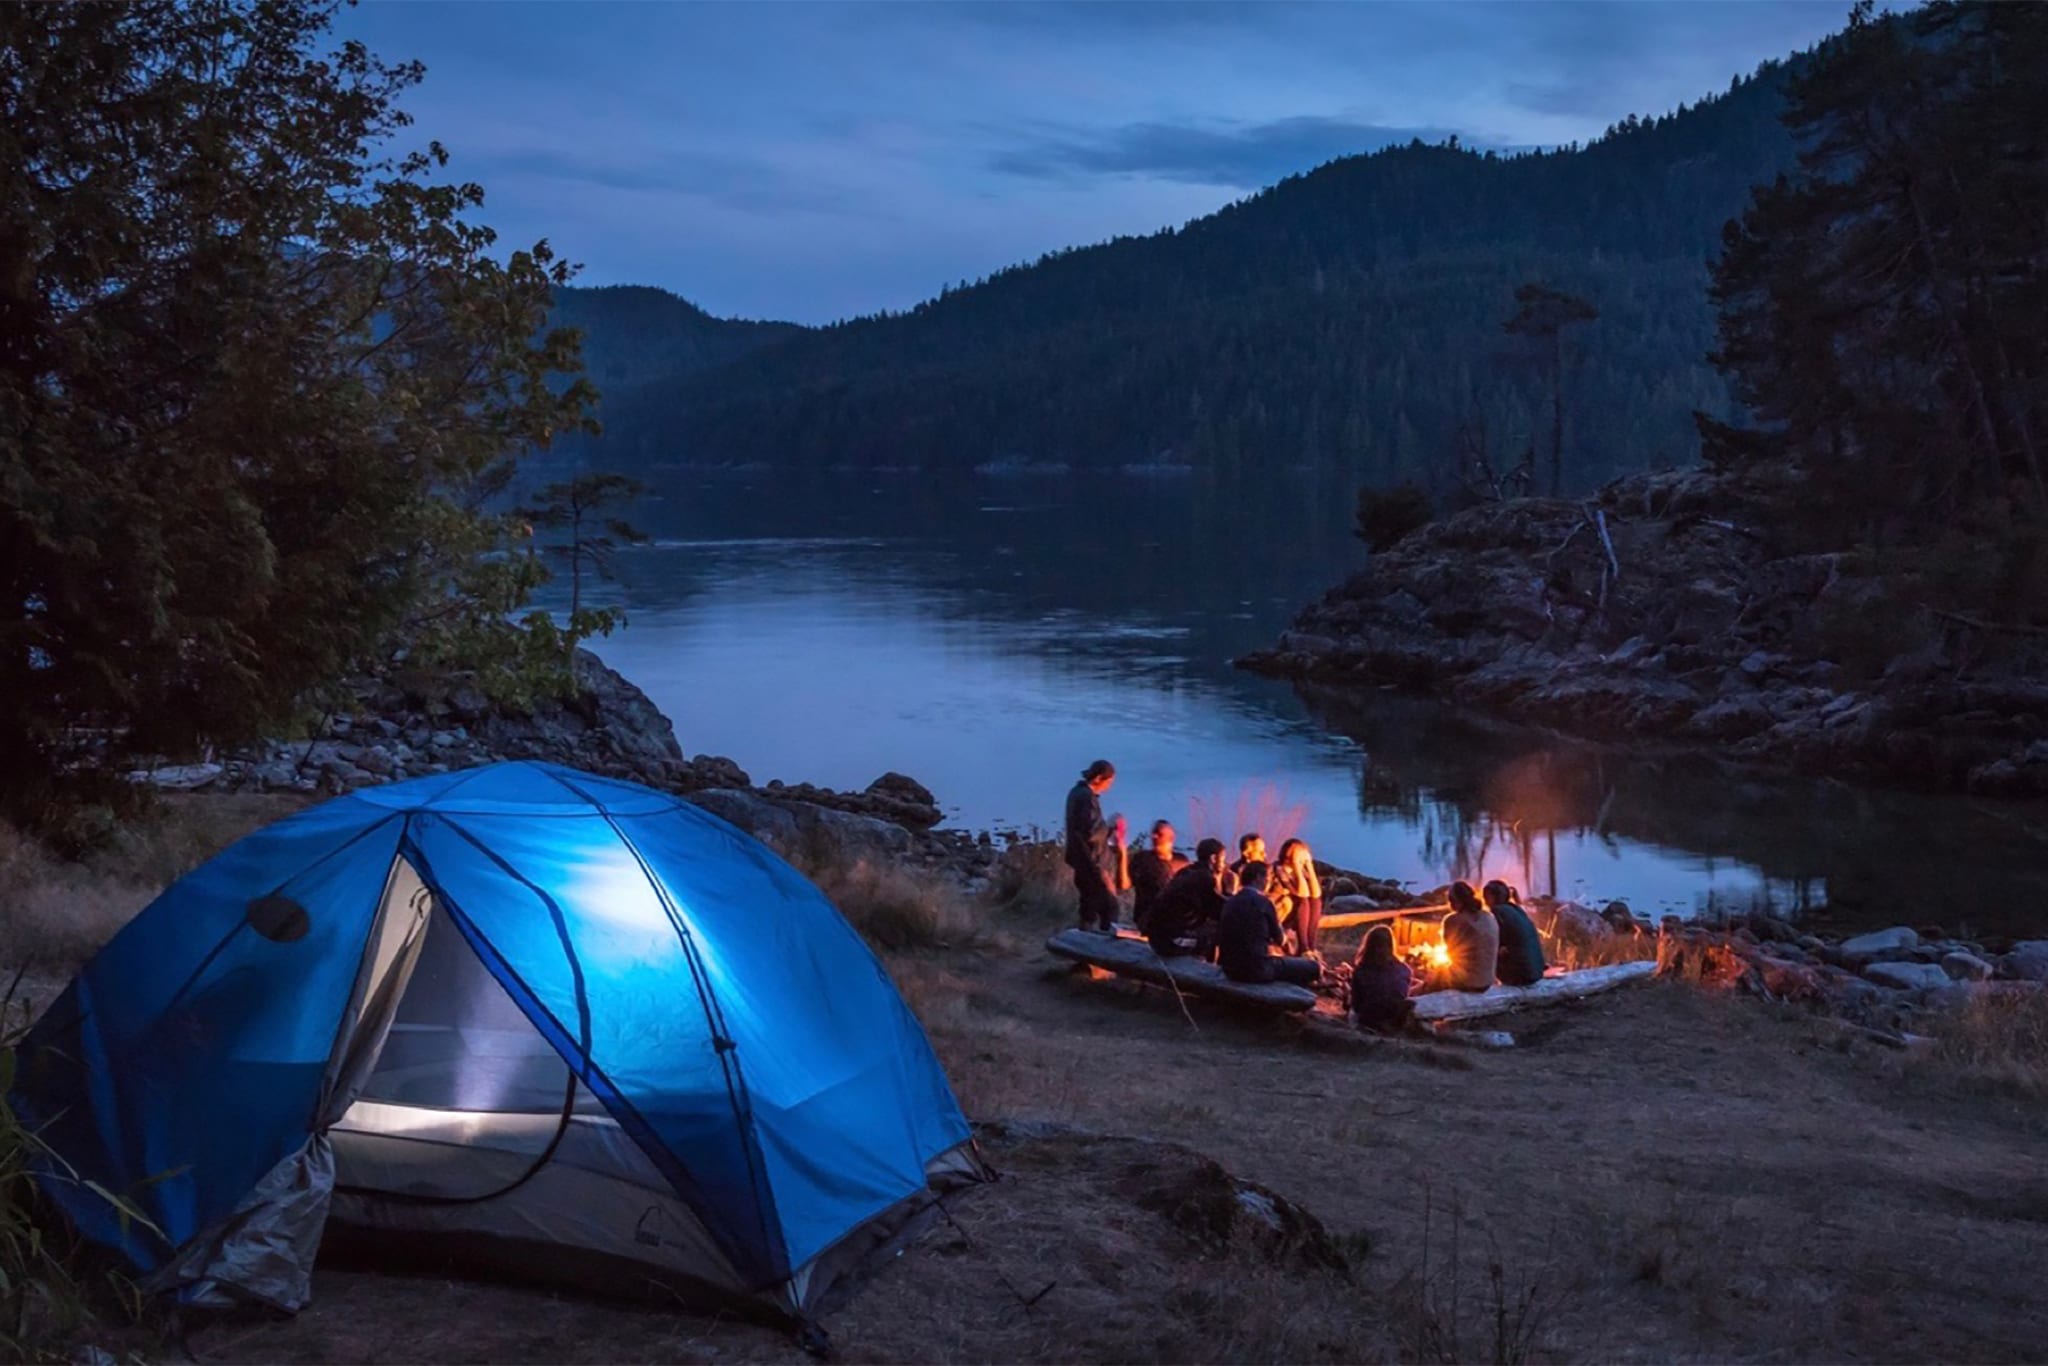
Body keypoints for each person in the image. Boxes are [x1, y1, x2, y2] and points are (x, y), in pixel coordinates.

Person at [1216, 861, 1321, 987]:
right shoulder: (1264, 902)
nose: (1269, 881)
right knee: (1312, 967)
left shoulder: (1230, 901)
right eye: (1268, 877)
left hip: (1229, 969)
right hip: (1257, 968)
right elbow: (1280, 940)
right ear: (1259, 878)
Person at [1064, 760, 1124, 933]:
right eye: (1109, 782)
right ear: (1099, 778)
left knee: (1088, 908)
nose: (1109, 786)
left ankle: (1083, 950)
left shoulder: (1076, 792)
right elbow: (1091, 833)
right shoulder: (1086, 798)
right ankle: (1104, 951)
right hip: (1093, 864)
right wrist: (1111, 826)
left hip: (1081, 861)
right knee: (1110, 909)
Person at [1146, 838, 1230, 959]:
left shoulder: (1186, 872)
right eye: (1222, 859)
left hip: (1156, 938)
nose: (1224, 864)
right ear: (1213, 859)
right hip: (1170, 941)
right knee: (1217, 935)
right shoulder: (1204, 878)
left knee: (1210, 930)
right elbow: (1219, 912)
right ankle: (1205, 973)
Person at [1432, 880, 1499, 992]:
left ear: (1454, 901)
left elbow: (1451, 953)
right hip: (1489, 979)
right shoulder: (1489, 916)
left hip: (1468, 982)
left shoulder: (1452, 920)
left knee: (1435, 977)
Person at [1350, 925, 1416, 1034]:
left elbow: (1356, 1004)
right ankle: (1391, 1023)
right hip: (1395, 1013)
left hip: (1369, 1016)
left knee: (1355, 1014)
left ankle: (1379, 1023)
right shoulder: (1404, 969)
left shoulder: (1361, 971)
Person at [1127, 820, 1189, 934]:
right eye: (1153, 833)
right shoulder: (1142, 859)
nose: (1154, 837)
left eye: (1159, 834)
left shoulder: (1182, 862)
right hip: (1148, 920)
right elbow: (1126, 884)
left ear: (1171, 838)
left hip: (1173, 922)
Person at [1485, 879, 1547, 987]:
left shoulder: (1498, 911)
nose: (1485, 900)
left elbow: (1496, 941)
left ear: (1494, 896)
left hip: (1523, 976)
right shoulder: (1516, 909)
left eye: (1487, 896)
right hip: (1536, 972)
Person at [1272, 837, 1325, 957]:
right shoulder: (1280, 869)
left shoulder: (1302, 870)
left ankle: (1311, 946)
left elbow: (1316, 894)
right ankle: (1303, 947)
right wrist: (1296, 865)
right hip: (1283, 909)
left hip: (1297, 909)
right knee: (1303, 901)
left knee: (1316, 902)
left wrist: (1309, 866)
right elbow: (1301, 894)